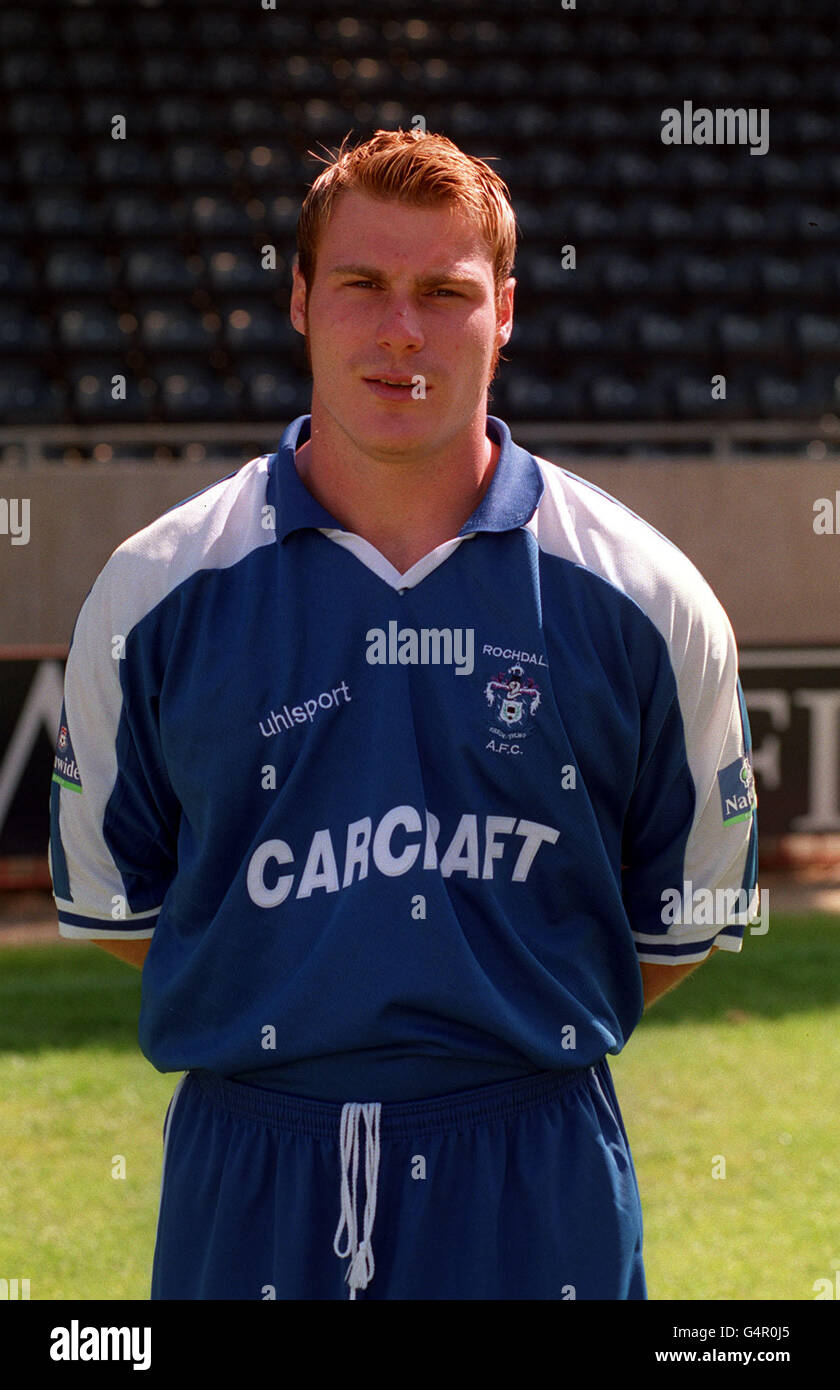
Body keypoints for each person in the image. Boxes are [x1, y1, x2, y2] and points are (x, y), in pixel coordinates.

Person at [49, 128, 758, 1300]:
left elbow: (673, 924)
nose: (401, 333)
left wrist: (488, 1034)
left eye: (446, 292)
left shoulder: (646, 596)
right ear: (298, 300)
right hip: (251, 1167)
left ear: (508, 312)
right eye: (363, 286)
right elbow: (130, 907)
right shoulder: (155, 589)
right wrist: (303, 1015)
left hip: (537, 1175)